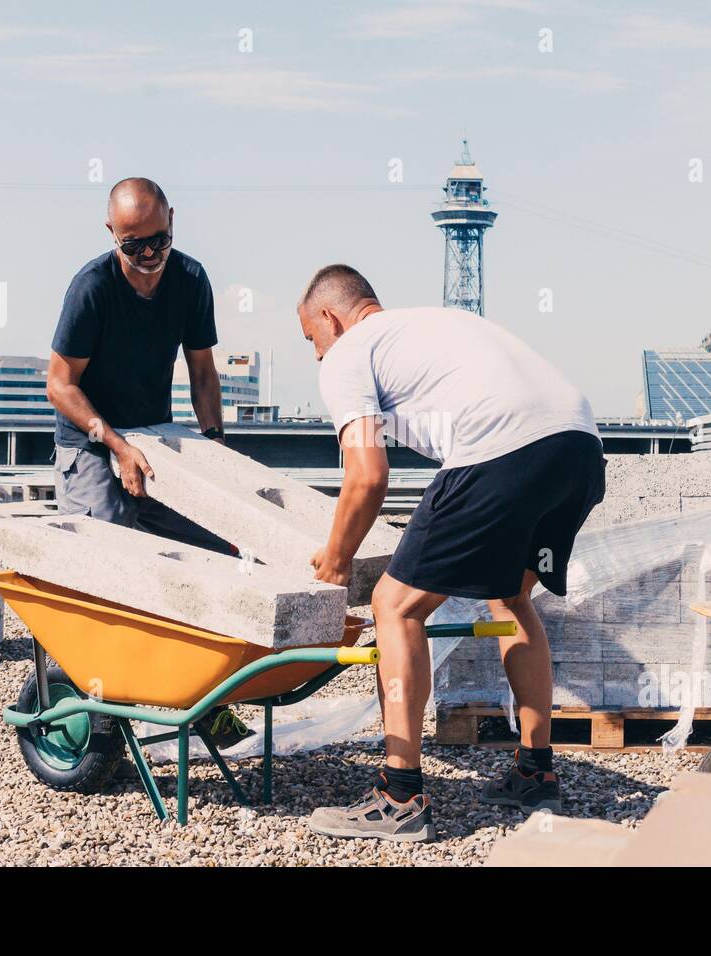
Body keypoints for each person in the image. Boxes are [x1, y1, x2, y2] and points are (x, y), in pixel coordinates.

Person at [297, 264, 606, 842]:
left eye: (311, 340)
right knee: (511, 598)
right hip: (579, 447)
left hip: (503, 447)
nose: (316, 356)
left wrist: (337, 559)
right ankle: (536, 773)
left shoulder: (348, 352)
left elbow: (367, 477)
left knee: (395, 605)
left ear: (330, 318)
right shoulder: (435, 324)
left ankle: (399, 795)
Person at [45, 176, 249, 748]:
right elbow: (59, 385)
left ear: (172, 222)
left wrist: (214, 447)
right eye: (133, 245)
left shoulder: (190, 278)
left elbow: (203, 371)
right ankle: (106, 701)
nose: (149, 256)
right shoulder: (91, 288)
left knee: (208, 547)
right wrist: (114, 444)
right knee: (112, 555)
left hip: (153, 433)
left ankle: (205, 701)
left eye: (158, 240)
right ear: (112, 234)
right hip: (87, 437)